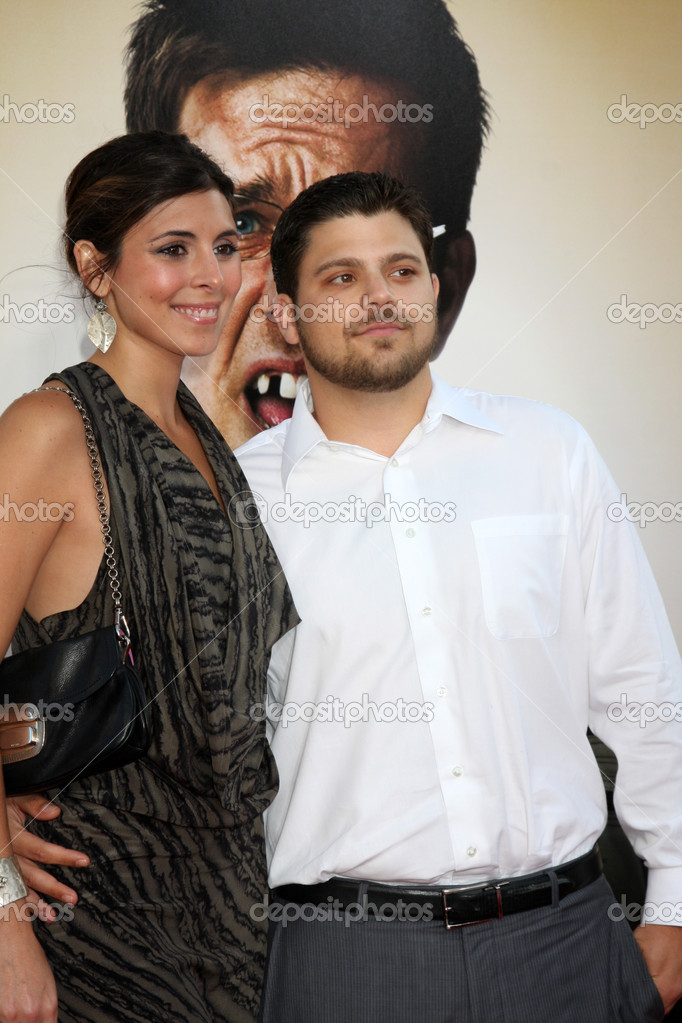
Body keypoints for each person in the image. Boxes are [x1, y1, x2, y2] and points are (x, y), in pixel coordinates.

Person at [231, 171, 682, 1021]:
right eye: (341, 277)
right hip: (344, 960)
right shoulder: (236, 500)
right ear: (286, 313)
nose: (379, 297)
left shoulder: (549, 451)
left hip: (570, 942)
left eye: (402, 271)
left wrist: (674, 899)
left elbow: (641, 685)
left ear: (435, 289)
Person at [0, 131, 297, 1023]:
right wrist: (3, 917)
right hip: (93, 916)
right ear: (96, 268)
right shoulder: (50, 428)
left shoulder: (208, 437)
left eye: (224, 243)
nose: (210, 276)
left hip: (230, 913)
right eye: (172, 249)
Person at [123, 0, 487, 445]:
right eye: (242, 225)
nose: (294, 306)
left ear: (444, 290)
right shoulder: (65, 474)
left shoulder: (549, 464)